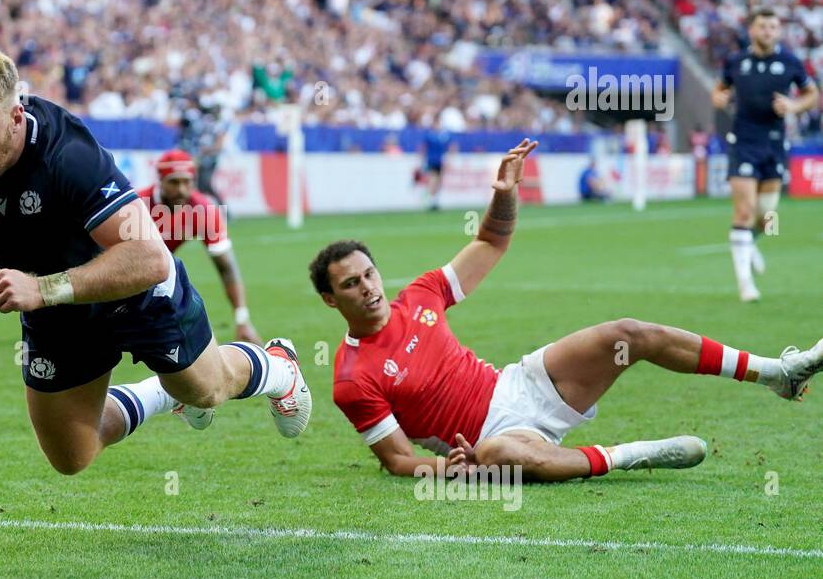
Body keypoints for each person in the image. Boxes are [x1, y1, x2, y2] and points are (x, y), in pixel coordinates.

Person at [0, 46, 312, 474]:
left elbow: (150, 259)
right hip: (55, 310)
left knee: (206, 389)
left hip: (131, 292)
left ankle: (279, 367)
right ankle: (161, 393)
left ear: (16, 116)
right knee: (71, 457)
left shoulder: (68, 155)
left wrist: (41, 289)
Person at [311, 139, 823, 482]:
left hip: (520, 384)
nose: (368, 288)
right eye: (351, 285)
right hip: (494, 438)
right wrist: (448, 469)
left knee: (628, 334)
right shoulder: (352, 378)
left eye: (370, 274)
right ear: (332, 300)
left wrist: (504, 195)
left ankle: (777, 373)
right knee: (497, 458)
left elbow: (490, 242)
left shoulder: (420, 296)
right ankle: (632, 455)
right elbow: (397, 459)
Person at [712, 8, 819, 302]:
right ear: (752, 30)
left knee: (766, 218)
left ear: (779, 31)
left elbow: (813, 94)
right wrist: (718, 97)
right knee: (744, 211)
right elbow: (719, 89)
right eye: (763, 26)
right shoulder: (736, 62)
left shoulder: (790, 62)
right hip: (744, 142)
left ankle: (750, 242)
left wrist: (795, 107)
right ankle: (746, 285)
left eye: (773, 26)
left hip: (774, 144)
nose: (768, 31)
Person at [136, 149, 261, 344]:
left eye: (187, 182)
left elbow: (226, 268)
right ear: (160, 181)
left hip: (157, 281)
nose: (182, 189)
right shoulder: (137, 205)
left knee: (199, 345)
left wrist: (242, 319)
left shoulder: (203, 210)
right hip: (122, 280)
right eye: (174, 182)